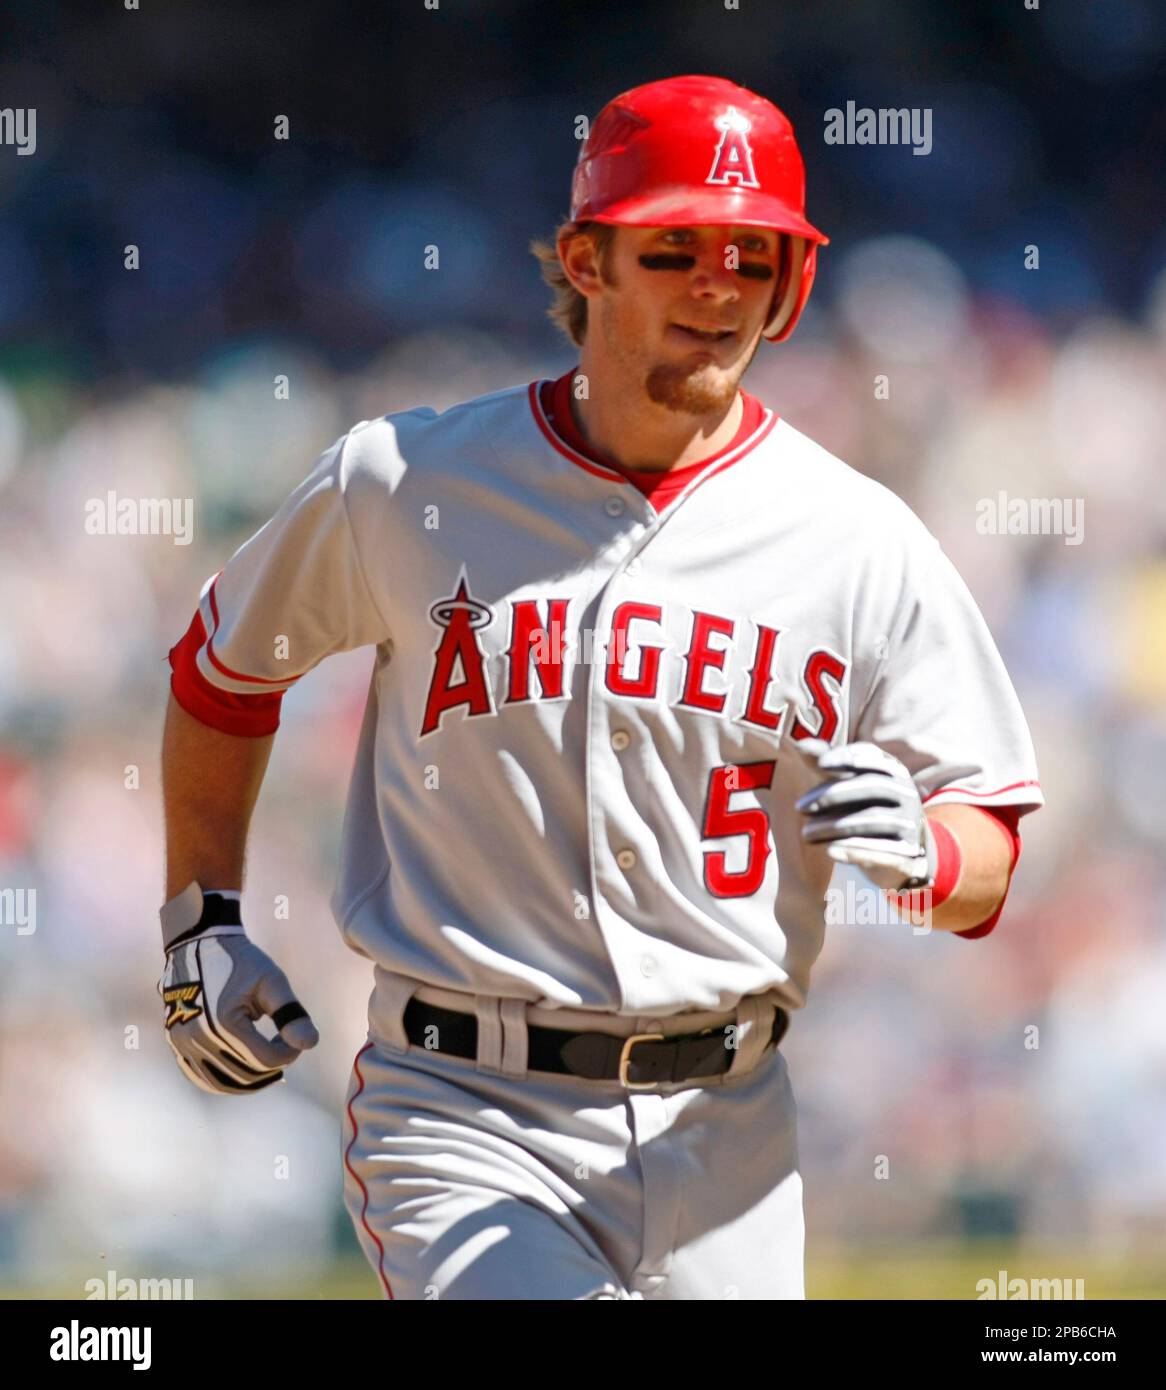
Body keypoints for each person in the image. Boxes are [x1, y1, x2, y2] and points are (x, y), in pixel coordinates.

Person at [158, 74, 1043, 1300]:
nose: (715, 284)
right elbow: (221, 675)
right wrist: (199, 915)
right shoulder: (403, 480)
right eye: (672, 248)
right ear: (585, 261)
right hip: (465, 1107)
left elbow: (987, 849)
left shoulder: (857, 536)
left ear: (790, 281)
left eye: (752, 253)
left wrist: (930, 857)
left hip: (726, 1130)